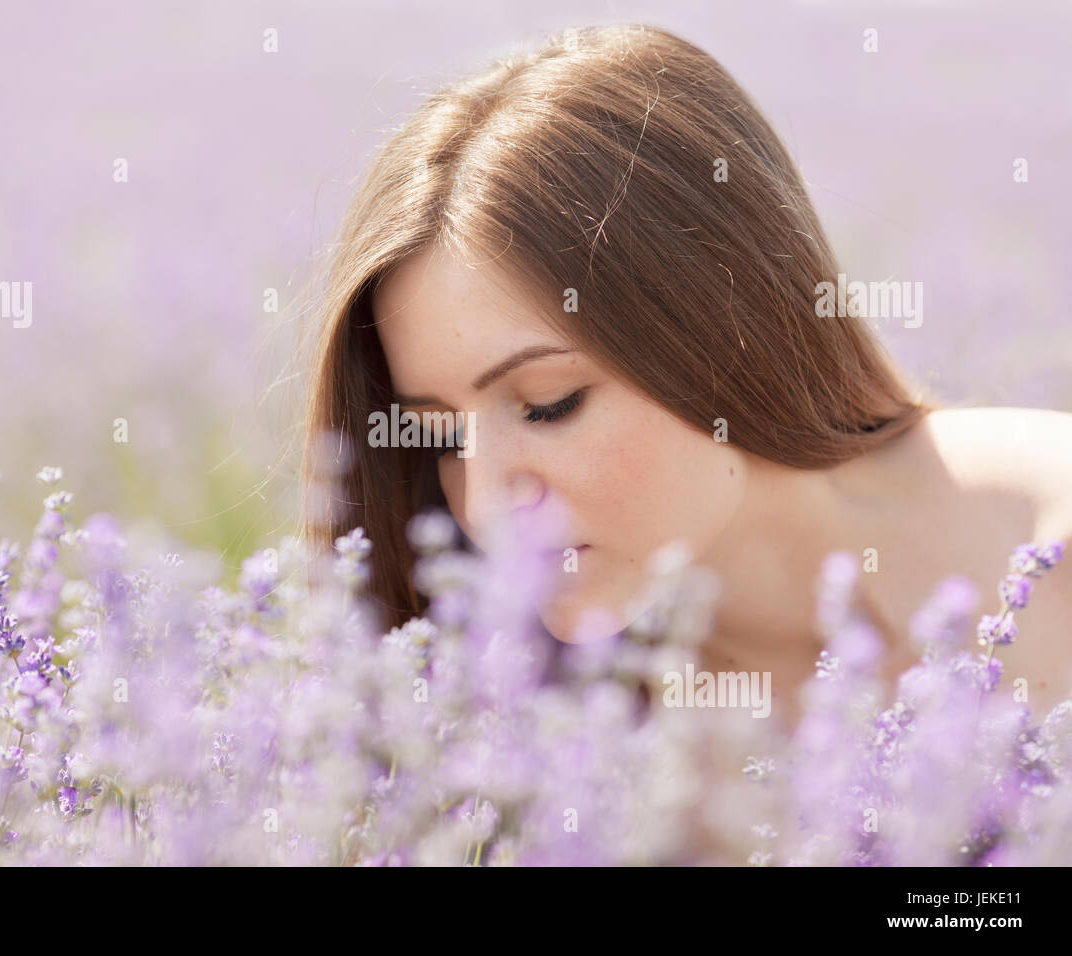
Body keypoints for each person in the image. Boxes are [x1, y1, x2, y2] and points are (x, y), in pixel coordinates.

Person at [302, 23, 1072, 725]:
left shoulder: (1053, 548)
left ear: (726, 325)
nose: (488, 506)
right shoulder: (532, 723)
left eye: (549, 404)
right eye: (439, 436)